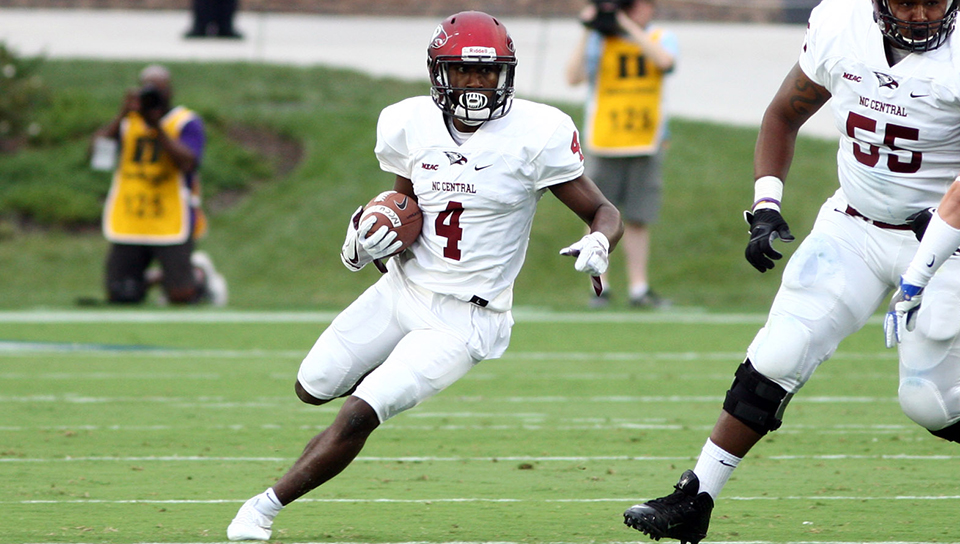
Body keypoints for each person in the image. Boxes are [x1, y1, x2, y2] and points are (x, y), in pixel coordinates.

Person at [226, 10, 622, 541]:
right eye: (463, 71)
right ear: (440, 73)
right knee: (312, 387)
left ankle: (262, 510)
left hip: (465, 319)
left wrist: (600, 241)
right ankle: (385, 377)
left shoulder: (537, 132)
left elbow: (603, 211)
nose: (475, 83)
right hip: (402, 288)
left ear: (506, 74)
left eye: (486, 72)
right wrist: (363, 242)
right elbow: (403, 208)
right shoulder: (409, 122)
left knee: (360, 414)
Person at [622, 0, 960, 542]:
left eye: (933, 0)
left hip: (946, 240)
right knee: (779, 351)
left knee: (930, 402)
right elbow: (783, 114)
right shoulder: (840, 24)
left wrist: (920, 273)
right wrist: (766, 203)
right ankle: (696, 496)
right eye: (905, 0)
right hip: (854, 223)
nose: (920, 14)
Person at [565, 0, 678, 308]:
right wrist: (588, 29)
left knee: (639, 217)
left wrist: (626, 26)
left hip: (645, 139)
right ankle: (599, 286)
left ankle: (639, 287)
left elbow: (665, 62)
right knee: (597, 216)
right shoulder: (600, 41)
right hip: (605, 140)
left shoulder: (660, 36)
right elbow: (572, 77)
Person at [94, 64, 227, 306]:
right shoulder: (128, 122)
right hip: (131, 215)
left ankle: (199, 274)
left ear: (170, 91)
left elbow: (188, 163)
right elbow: (97, 157)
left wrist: (157, 127)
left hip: (169, 216)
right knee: (122, 295)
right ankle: (154, 278)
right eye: (148, 89)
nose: (153, 95)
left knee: (181, 296)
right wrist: (121, 115)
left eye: (159, 89)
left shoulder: (184, 122)